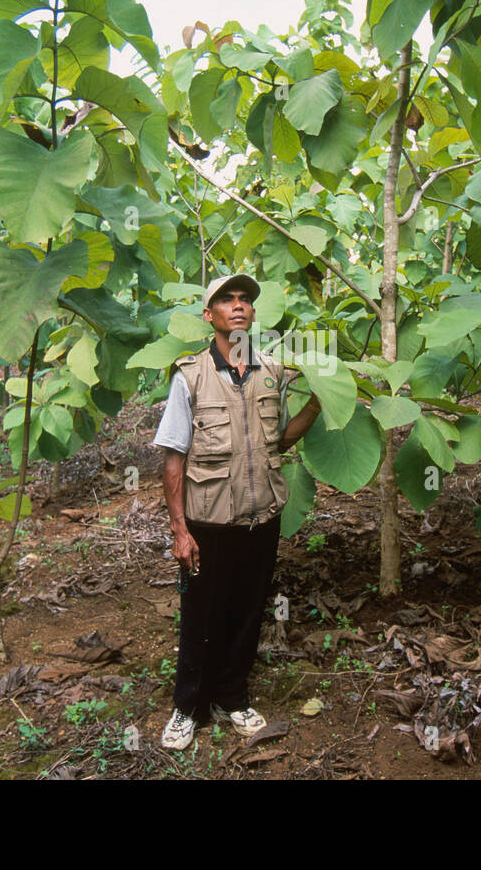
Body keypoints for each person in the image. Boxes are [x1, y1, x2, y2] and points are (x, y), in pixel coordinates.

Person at [152, 273, 322, 749]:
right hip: (208, 520)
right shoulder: (190, 376)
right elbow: (173, 454)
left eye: (245, 299)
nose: (238, 305)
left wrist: (319, 404)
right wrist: (179, 529)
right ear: (210, 316)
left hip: (260, 517)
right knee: (200, 616)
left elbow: (283, 438)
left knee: (248, 613)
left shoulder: (272, 371)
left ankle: (232, 697)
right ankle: (187, 708)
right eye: (226, 300)